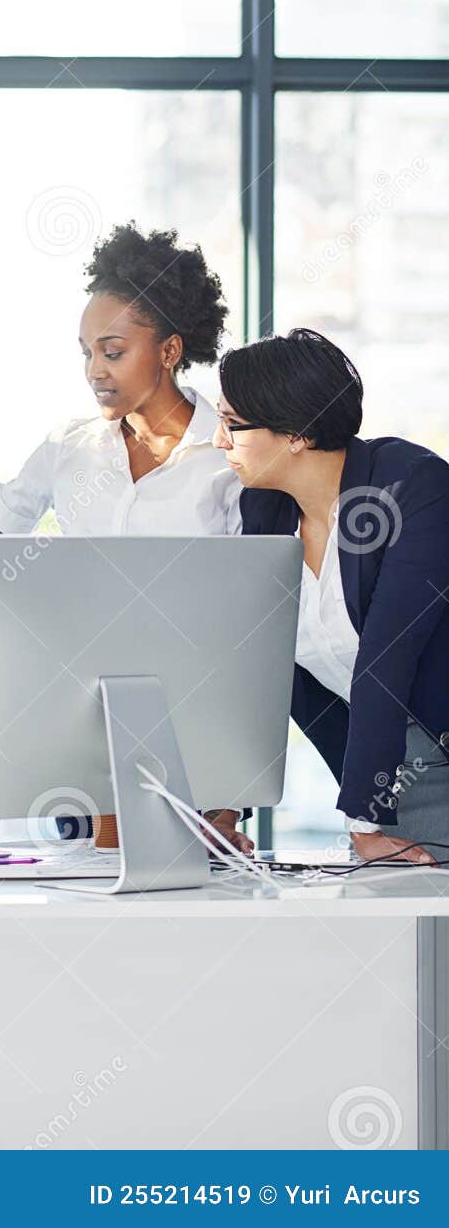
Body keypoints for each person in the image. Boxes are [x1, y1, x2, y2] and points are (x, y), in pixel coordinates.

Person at [213, 327, 449, 866]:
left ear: (295, 433)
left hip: (434, 752)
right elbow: (260, 664)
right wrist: (225, 808)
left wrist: (364, 821)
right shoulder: (266, 509)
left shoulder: (414, 488)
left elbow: (387, 656)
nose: (218, 441)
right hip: (383, 766)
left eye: (231, 424)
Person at [0, 222, 241, 540]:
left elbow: (252, 580)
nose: (94, 371)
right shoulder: (67, 446)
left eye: (112, 353)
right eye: (88, 353)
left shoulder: (229, 459)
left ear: (169, 351)